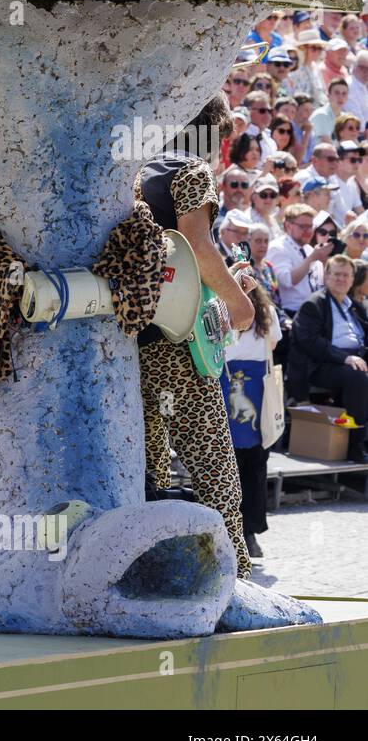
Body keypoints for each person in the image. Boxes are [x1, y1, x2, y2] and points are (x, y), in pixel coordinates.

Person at [137, 93, 256, 578]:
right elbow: (197, 246)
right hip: (177, 344)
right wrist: (239, 303)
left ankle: (157, 572)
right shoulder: (189, 171)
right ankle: (235, 579)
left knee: (149, 470)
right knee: (213, 466)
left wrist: (220, 284)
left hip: (130, 340)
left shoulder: (136, 172)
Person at [220, 272, 280, 558]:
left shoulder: (261, 312)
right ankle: (241, 531)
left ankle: (244, 531)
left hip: (242, 388)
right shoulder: (228, 308)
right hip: (241, 386)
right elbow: (273, 345)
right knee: (244, 466)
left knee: (244, 465)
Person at [290, 254, 368, 462]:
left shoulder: (355, 307)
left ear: (353, 279)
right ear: (327, 276)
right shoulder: (315, 304)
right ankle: (355, 444)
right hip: (322, 365)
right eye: (337, 274)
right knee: (357, 376)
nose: (341, 279)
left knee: (358, 371)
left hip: (354, 359)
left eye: (346, 275)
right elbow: (310, 342)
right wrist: (345, 358)